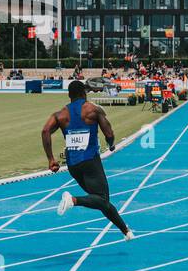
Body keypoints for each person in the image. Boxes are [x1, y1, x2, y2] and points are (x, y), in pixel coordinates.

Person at [41, 80, 134, 238]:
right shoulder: (93, 109)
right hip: (90, 160)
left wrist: (51, 159)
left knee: (99, 200)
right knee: (102, 199)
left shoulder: (60, 114)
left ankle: (126, 231)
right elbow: (109, 133)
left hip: (73, 164)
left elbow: (45, 131)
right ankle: (73, 200)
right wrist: (111, 145)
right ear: (84, 93)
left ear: (69, 95)